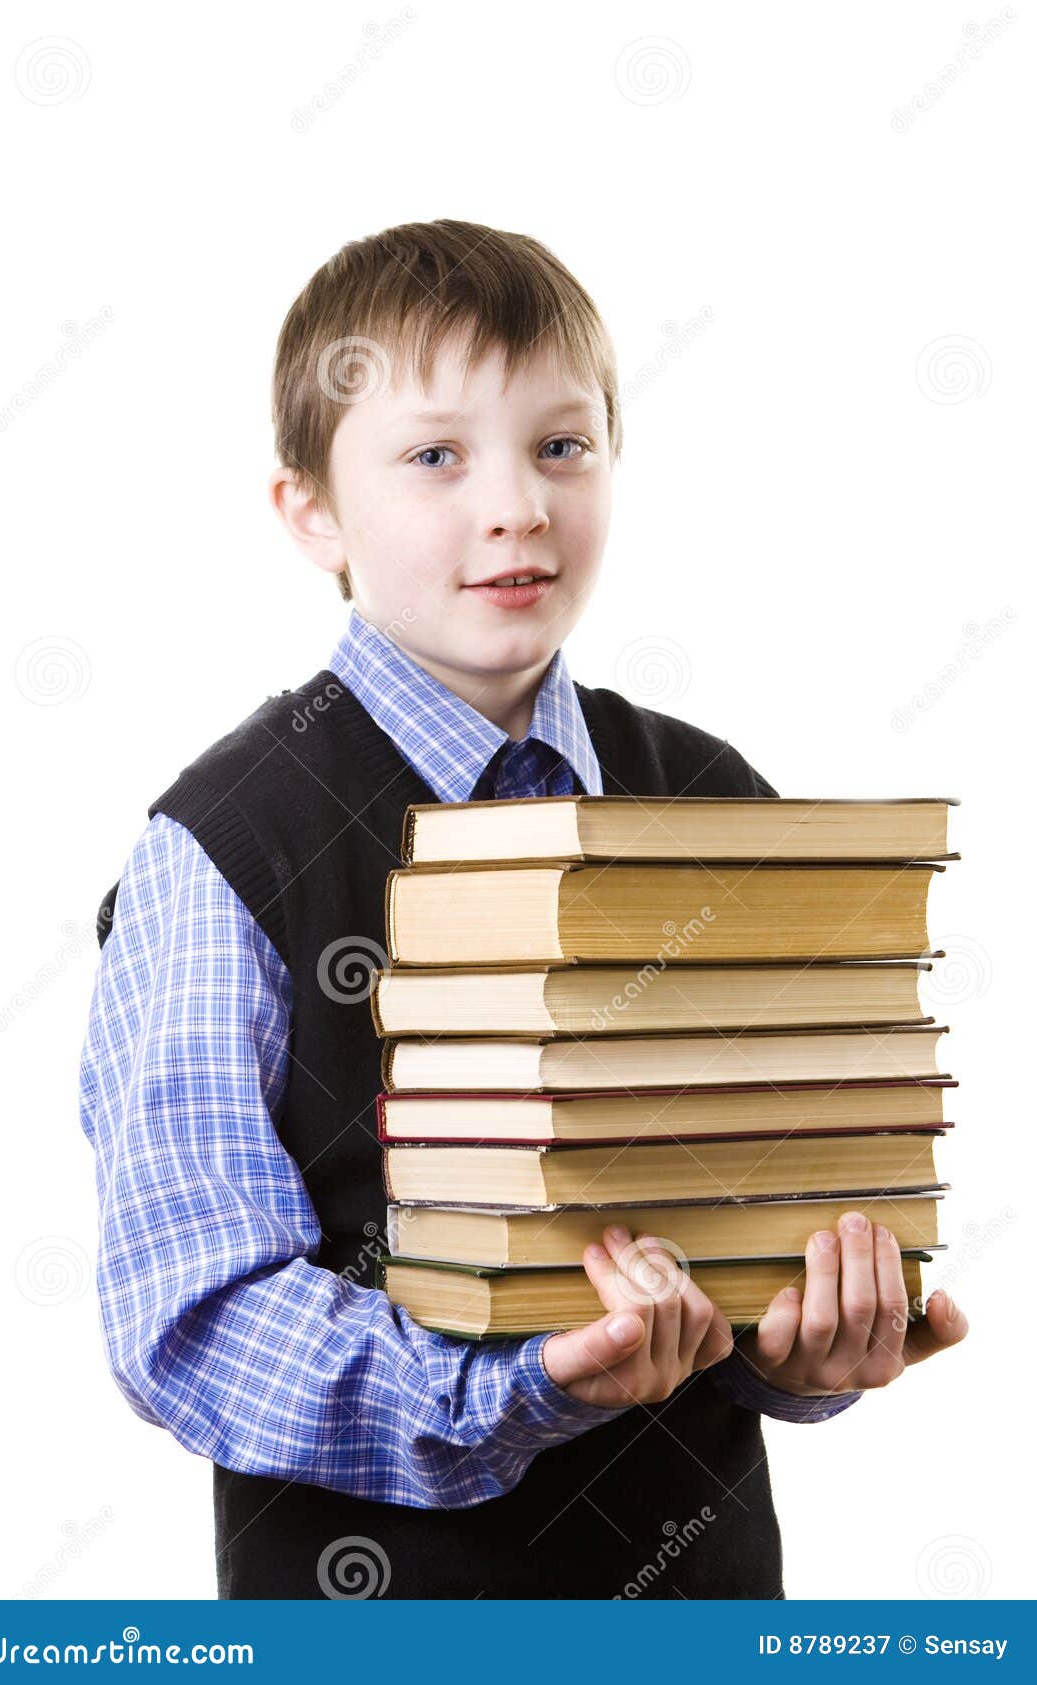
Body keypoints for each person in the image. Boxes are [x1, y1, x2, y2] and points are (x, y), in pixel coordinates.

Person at [79, 218, 968, 1600]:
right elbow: (193, 1311)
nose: (517, 504)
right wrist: (518, 1387)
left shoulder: (714, 800)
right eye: (438, 455)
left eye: (563, 445)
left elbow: (796, 1207)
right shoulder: (221, 847)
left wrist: (816, 1345)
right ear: (310, 507)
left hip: (704, 1613)